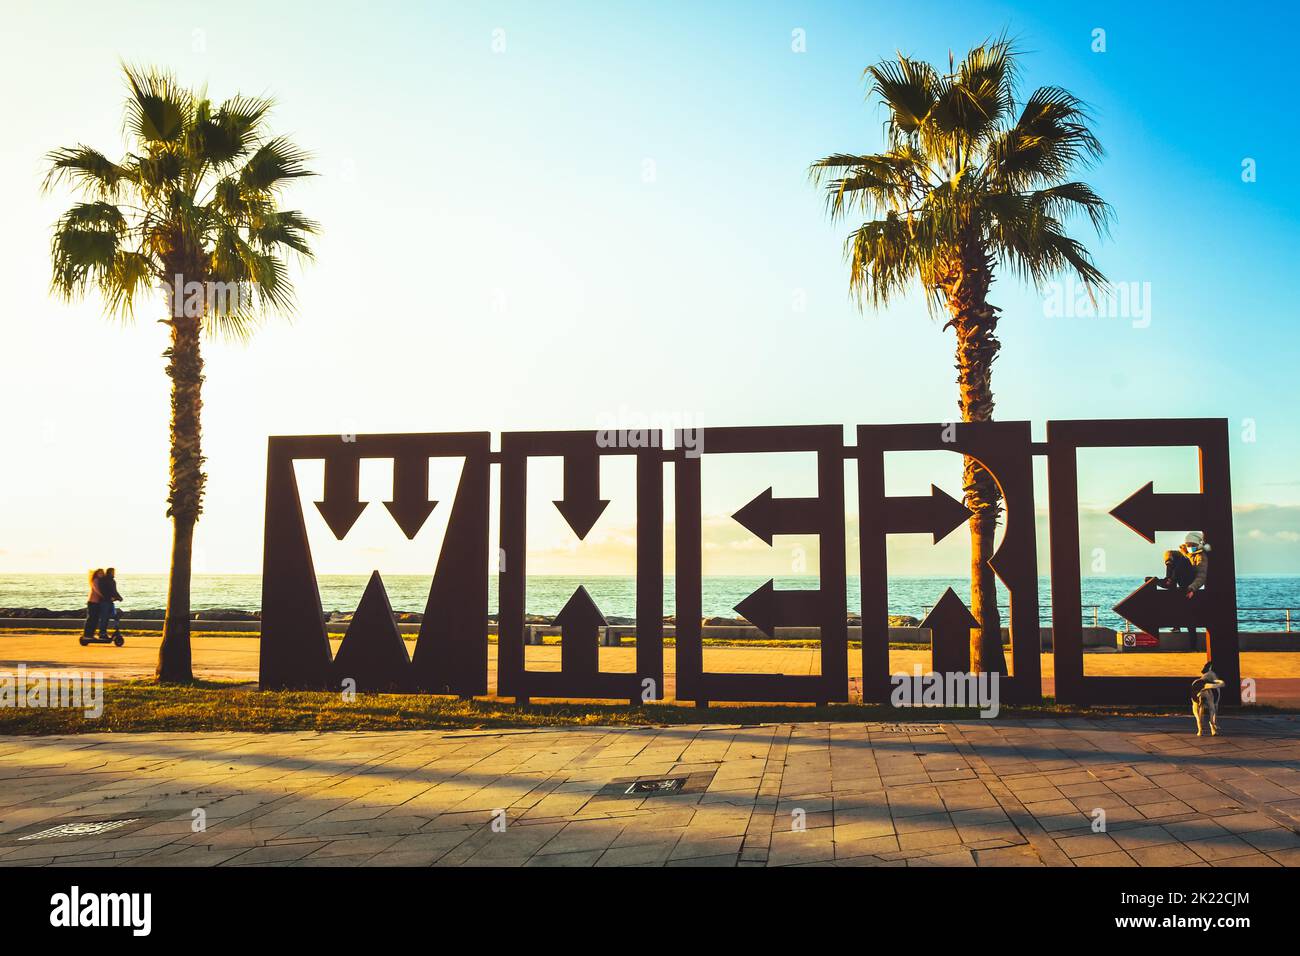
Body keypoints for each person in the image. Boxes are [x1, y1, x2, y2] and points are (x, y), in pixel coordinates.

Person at [98, 567, 123, 639]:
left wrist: (119, 597)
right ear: (110, 572)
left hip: (110, 602)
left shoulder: (111, 580)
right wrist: (114, 597)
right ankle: (102, 633)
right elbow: (104, 591)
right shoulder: (105, 580)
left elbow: (114, 591)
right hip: (104, 602)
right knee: (104, 617)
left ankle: (110, 632)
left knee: (113, 616)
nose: (114, 573)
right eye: (113, 572)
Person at [82, 568, 105, 640]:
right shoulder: (95, 580)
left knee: (95, 620)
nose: (101, 574)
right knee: (91, 619)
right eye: (99, 573)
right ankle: (86, 635)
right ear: (96, 574)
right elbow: (97, 590)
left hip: (97, 603)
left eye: (102, 573)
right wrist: (103, 596)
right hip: (92, 602)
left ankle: (90, 635)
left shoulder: (100, 581)